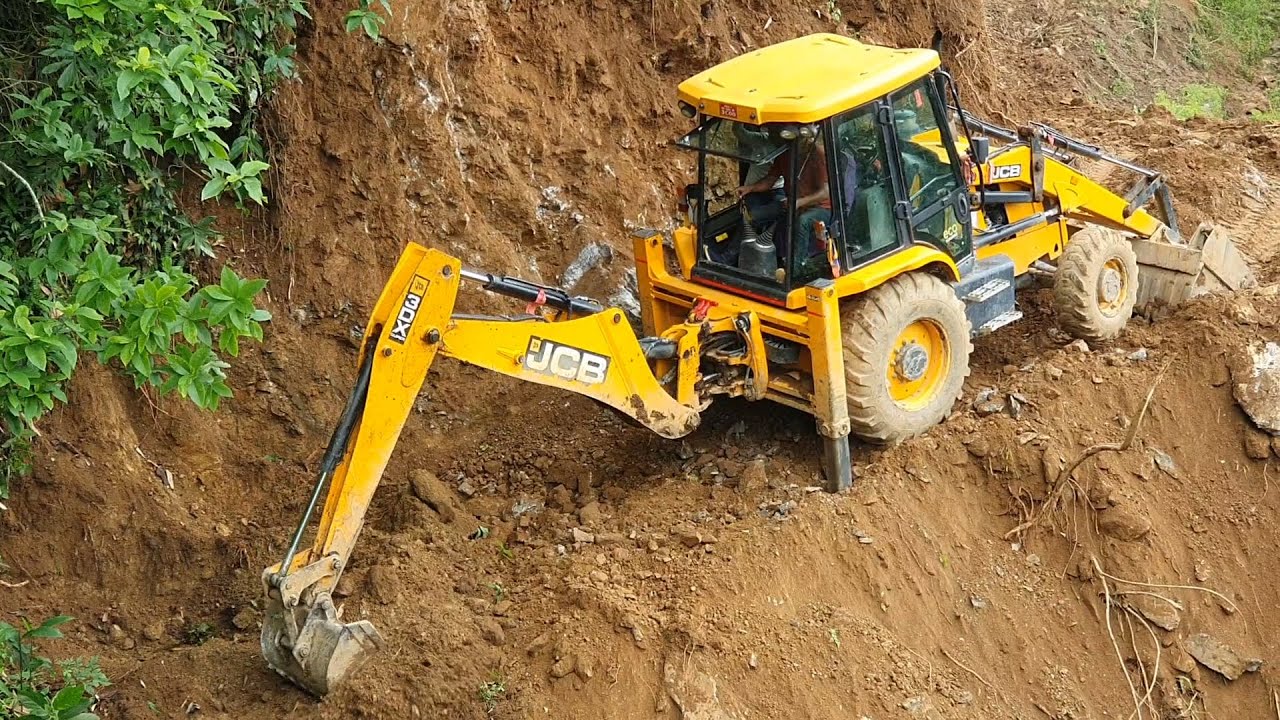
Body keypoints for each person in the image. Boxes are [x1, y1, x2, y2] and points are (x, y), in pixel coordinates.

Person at [735, 135, 831, 263]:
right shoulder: (785, 153)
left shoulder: (818, 154)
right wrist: (750, 188)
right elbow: (770, 180)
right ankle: (736, 257)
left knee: (803, 221)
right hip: (791, 203)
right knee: (752, 216)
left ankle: (797, 266)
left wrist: (800, 202)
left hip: (820, 208)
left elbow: (826, 192)